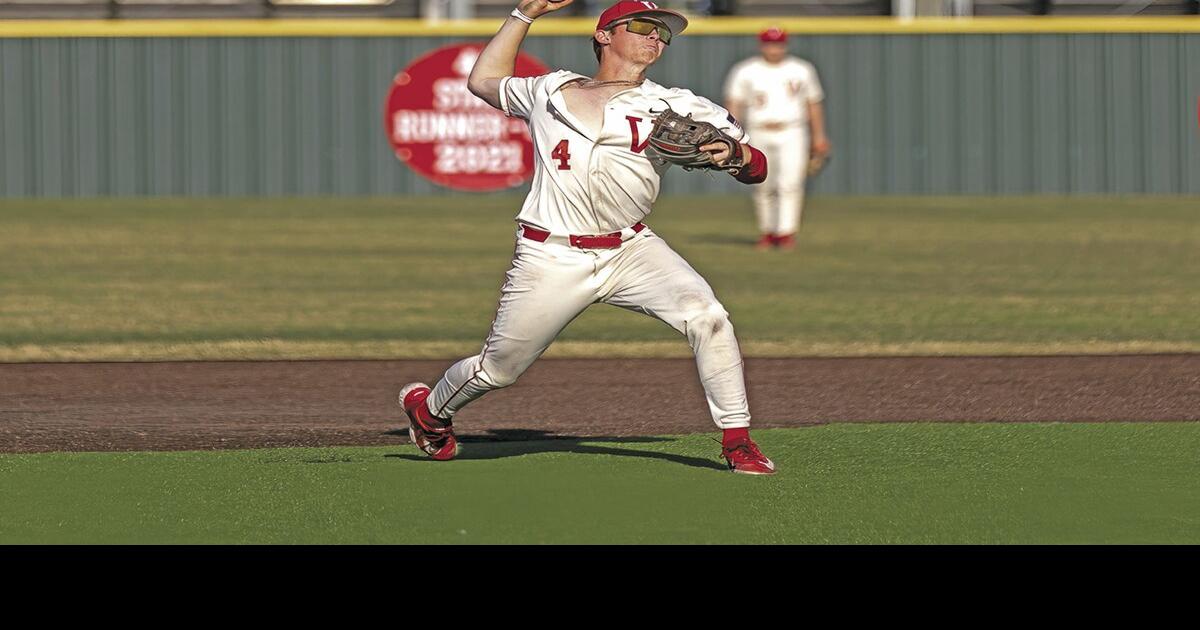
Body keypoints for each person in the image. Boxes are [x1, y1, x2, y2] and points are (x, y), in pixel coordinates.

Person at [397, 0, 778, 475]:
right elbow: (482, 81)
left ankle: (737, 440)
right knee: (499, 369)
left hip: (632, 249)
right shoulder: (550, 90)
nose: (655, 37)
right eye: (643, 26)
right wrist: (523, 15)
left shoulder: (679, 103)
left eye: (663, 33)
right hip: (550, 253)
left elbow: (756, 167)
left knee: (708, 316)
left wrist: (736, 154)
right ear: (603, 35)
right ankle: (430, 411)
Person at [724, 27, 831, 250]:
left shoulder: (801, 69)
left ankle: (786, 232)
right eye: (770, 43)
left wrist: (819, 136)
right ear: (762, 45)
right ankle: (767, 231)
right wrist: (733, 136)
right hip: (758, 129)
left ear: (785, 45)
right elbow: (734, 104)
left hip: (792, 129)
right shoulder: (746, 70)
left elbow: (813, 104)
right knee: (762, 183)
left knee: (790, 183)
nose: (774, 48)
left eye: (778, 43)